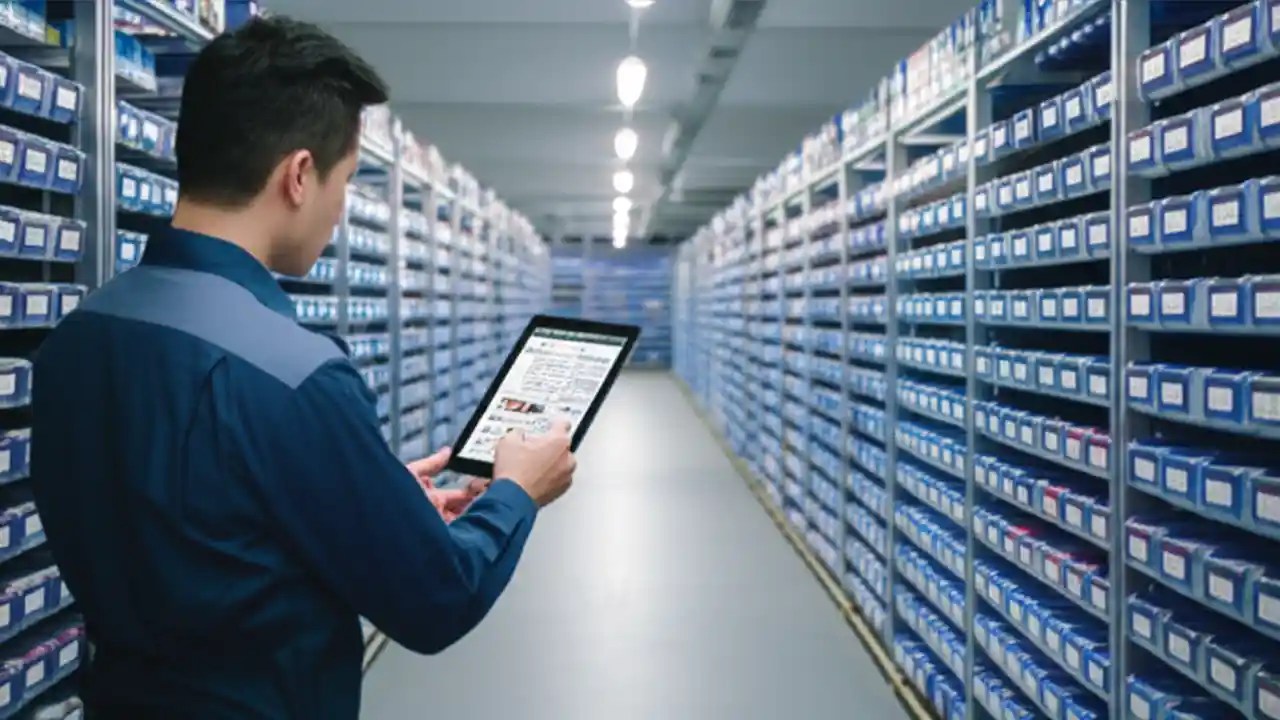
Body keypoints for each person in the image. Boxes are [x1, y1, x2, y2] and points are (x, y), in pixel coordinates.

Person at [30, 15, 576, 720]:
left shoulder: (79, 337)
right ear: (299, 175)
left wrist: (368, 501)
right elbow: (439, 599)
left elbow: (199, 527)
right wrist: (516, 494)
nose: (340, 209)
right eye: (344, 181)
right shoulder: (294, 372)